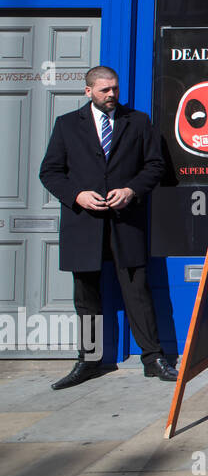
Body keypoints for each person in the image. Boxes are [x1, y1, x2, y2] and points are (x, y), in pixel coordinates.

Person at [39, 66, 177, 388]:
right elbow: (50, 172)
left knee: (137, 292)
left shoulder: (138, 122)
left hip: (125, 222)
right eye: (104, 90)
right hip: (83, 225)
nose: (111, 95)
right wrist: (77, 195)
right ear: (88, 91)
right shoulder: (67, 125)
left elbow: (156, 165)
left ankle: (153, 359)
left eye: (114, 88)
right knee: (86, 297)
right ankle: (89, 361)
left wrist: (131, 190)